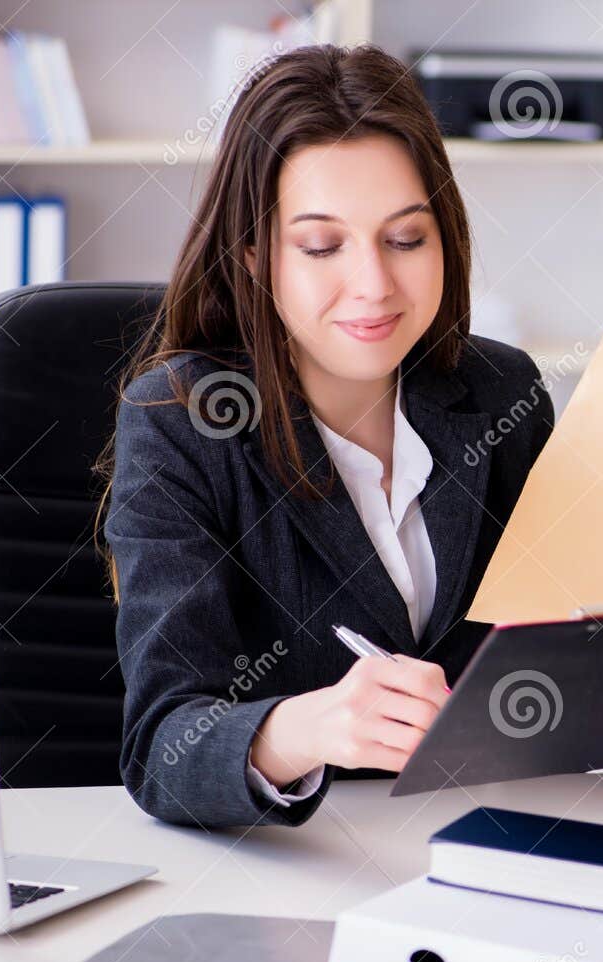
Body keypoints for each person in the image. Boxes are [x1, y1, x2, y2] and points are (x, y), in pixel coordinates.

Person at [102, 45, 552, 829]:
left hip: (492, 852)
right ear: (254, 260)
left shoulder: (504, 394)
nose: (375, 284)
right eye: (320, 247)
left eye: (406, 239)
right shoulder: (181, 424)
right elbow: (161, 749)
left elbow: (574, 656)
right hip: (291, 883)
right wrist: (305, 730)